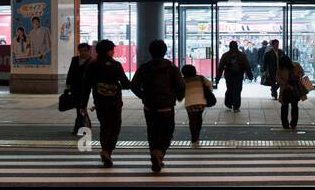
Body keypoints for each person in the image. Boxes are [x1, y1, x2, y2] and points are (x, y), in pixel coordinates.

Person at [130, 39, 186, 173]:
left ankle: (155, 156)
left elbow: (133, 85)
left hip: (149, 106)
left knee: (152, 132)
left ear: (150, 52)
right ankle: (159, 154)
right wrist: (178, 97)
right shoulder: (171, 68)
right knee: (167, 132)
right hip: (166, 106)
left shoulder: (144, 68)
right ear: (165, 51)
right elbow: (181, 85)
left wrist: (143, 96)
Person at [81, 40, 131, 166]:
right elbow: (125, 84)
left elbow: (86, 86)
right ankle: (107, 151)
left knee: (104, 126)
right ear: (109, 51)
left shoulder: (92, 65)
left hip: (100, 101)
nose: (113, 52)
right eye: (112, 50)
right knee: (115, 126)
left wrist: (82, 105)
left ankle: (105, 150)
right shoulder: (116, 65)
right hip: (114, 102)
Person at [181, 64, 215, 145]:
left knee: (192, 120)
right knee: (198, 118)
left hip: (190, 103)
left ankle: (194, 137)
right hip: (201, 102)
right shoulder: (200, 78)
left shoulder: (183, 80)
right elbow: (209, 84)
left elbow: (180, 90)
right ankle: (197, 135)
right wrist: (210, 90)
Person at [64, 42, 94, 133]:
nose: (83, 53)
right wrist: (67, 87)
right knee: (79, 107)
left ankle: (80, 126)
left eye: (85, 51)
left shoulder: (92, 61)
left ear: (89, 51)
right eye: (81, 51)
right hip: (74, 87)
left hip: (86, 88)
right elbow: (70, 73)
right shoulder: (75, 59)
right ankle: (84, 125)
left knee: (81, 106)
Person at [216, 40, 253, 111]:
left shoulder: (225, 55)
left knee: (229, 89)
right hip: (239, 75)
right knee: (237, 90)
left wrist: (217, 78)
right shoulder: (242, 55)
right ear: (237, 46)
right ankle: (236, 106)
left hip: (229, 75)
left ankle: (228, 103)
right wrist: (250, 75)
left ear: (229, 46)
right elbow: (247, 66)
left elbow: (220, 67)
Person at [277, 54, 305, 130]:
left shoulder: (296, 65)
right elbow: (278, 78)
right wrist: (285, 84)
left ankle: (293, 124)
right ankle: (286, 124)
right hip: (285, 89)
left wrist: (298, 76)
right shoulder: (281, 68)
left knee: (294, 106)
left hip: (295, 88)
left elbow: (302, 72)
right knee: (285, 106)